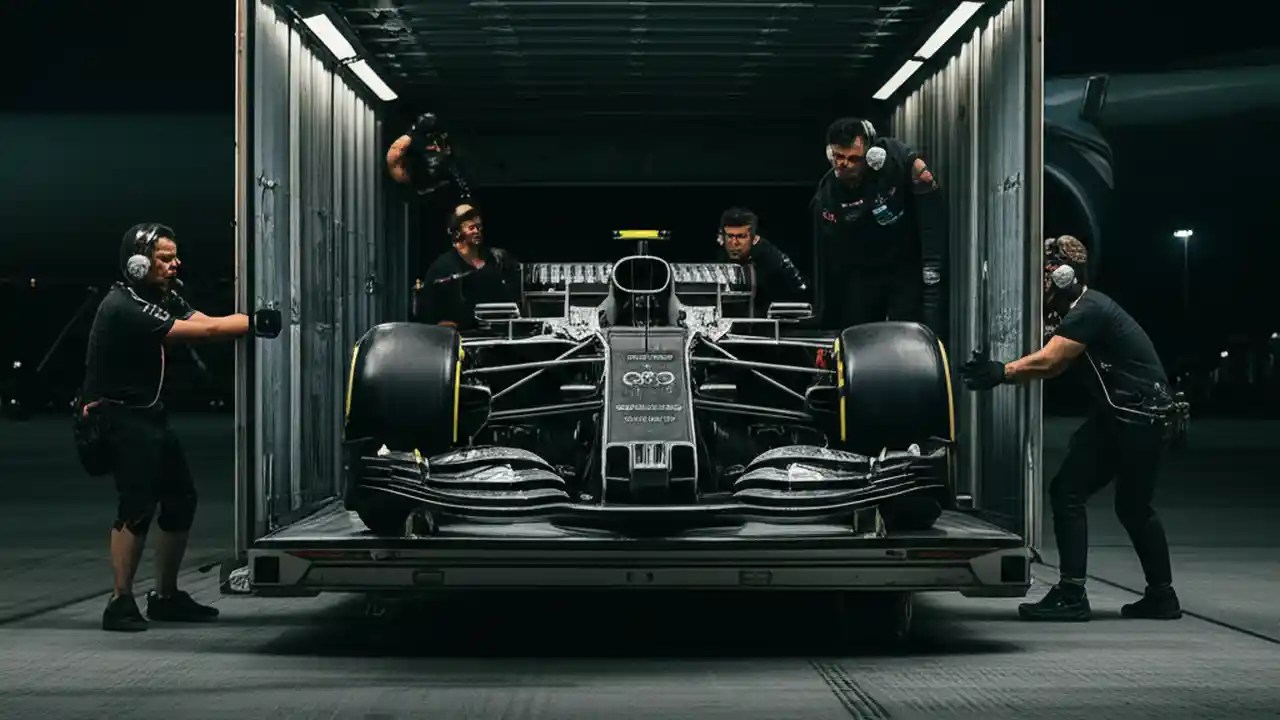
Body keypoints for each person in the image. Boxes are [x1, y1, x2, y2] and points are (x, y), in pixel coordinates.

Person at [958, 246, 1183, 622]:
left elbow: (1051, 361)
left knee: (1068, 492)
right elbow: (1055, 361)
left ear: (1065, 275)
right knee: (1133, 507)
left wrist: (1002, 372)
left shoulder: (1088, 310)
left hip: (1131, 419)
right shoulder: (1084, 308)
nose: (1041, 282)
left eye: (1046, 273)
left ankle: (1072, 594)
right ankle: (1162, 596)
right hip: (1139, 417)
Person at [78, 222, 281, 632]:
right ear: (137, 265)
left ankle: (166, 596)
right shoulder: (124, 306)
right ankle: (120, 601)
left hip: (147, 415)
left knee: (180, 499)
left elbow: (201, 317)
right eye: (165, 258)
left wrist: (243, 321)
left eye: (174, 257)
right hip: (120, 418)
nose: (175, 264)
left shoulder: (157, 296)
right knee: (136, 508)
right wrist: (254, 323)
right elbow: (200, 332)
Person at [810, 117, 949, 343]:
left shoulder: (893, 157)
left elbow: (926, 184)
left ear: (872, 155)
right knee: (861, 335)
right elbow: (828, 258)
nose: (847, 165)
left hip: (904, 263)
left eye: (855, 158)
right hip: (862, 270)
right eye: (839, 158)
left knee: (907, 332)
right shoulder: (827, 196)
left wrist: (930, 263)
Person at [416, 204, 520, 328]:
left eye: (479, 227)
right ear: (457, 231)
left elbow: (516, 291)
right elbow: (428, 305)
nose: (477, 231)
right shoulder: (442, 267)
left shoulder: (499, 259)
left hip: (498, 333)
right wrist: (439, 324)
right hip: (461, 336)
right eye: (471, 228)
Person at [715, 206, 808, 316]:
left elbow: (801, 290)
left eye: (741, 236)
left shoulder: (774, 260)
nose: (734, 243)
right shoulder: (717, 258)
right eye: (730, 236)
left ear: (754, 239)